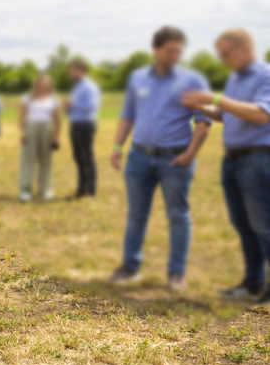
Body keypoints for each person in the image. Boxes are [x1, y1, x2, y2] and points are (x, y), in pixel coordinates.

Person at [109, 26, 211, 292]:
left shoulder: (193, 81)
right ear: (156, 49)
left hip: (175, 160)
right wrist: (118, 145)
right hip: (139, 158)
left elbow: (204, 121)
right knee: (136, 215)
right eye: (170, 50)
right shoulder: (138, 78)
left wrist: (191, 153)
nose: (175, 55)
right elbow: (128, 114)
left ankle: (176, 273)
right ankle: (129, 266)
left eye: (179, 51)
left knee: (178, 215)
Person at [181, 29, 270, 304]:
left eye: (225, 53)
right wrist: (204, 107)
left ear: (243, 47)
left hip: (258, 159)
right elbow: (227, 113)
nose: (222, 60)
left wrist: (217, 98)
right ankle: (253, 283)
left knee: (263, 225)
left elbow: (261, 114)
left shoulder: (265, 75)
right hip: (233, 160)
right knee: (243, 225)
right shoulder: (235, 78)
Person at [19, 73, 61, 201]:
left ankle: (45, 189)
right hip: (31, 127)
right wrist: (23, 132)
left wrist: (56, 136)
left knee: (46, 160)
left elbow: (57, 120)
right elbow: (22, 117)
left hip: (47, 129)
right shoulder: (28, 98)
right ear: (37, 83)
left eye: (47, 82)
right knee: (28, 159)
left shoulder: (54, 99)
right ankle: (25, 189)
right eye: (42, 81)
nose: (44, 84)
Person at [65, 57, 101, 198]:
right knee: (78, 157)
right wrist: (68, 107)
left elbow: (92, 107)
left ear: (80, 70)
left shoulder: (89, 86)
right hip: (75, 123)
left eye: (72, 71)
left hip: (85, 124)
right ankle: (81, 189)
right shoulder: (78, 87)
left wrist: (73, 104)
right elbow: (74, 107)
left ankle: (90, 190)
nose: (70, 74)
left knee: (87, 157)